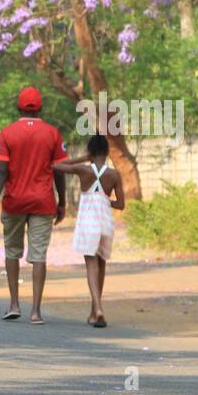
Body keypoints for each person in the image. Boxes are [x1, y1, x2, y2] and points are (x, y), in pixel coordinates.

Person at [0, 86, 67, 324]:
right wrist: (62, 201)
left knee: (12, 251)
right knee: (39, 255)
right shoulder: (53, 134)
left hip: (14, 201)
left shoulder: (7, 133)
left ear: (19, 107)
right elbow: (60, 171)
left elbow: (1, 172)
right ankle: (36, 311)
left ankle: (14, 304)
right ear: (40, 108)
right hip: (43, 201)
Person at [54, 134, 125, 327]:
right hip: (105, 223)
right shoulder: (114, 175)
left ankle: (98, 307)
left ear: (91, 152)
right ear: (107, 152)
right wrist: (104, 200)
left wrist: (84, 158)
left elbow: (56, 166)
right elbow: (120, 204)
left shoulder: (83, 170)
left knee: (90, 265)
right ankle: (95, 312)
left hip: (88, 223)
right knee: (101, 264)